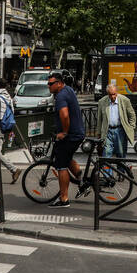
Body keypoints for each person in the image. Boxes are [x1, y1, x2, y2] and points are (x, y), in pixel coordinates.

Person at [47, 70, 85, 207]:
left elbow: (64, 115)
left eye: (51, 84)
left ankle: (64, 199)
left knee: (61, 165)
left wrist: (64, 132)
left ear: (58, 83)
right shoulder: (68, 89)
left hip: (71, 135)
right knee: (66, 156)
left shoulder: (61, 96)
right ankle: (81, 180)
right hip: (78, 132)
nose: (48, 86)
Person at [99, 82, 136, 162]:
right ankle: (107, 174)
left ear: (117, 92)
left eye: (114, 94)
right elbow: (99, 120)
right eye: (110, 94)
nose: (112, 97)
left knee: (121, 155)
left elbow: (132, 115)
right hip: (107, 131)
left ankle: (121, 174)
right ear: (107, 94)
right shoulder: (102, 102)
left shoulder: (125, 100)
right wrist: (99, 133)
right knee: (106, 154)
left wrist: (131, 127)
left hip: (120, 131)